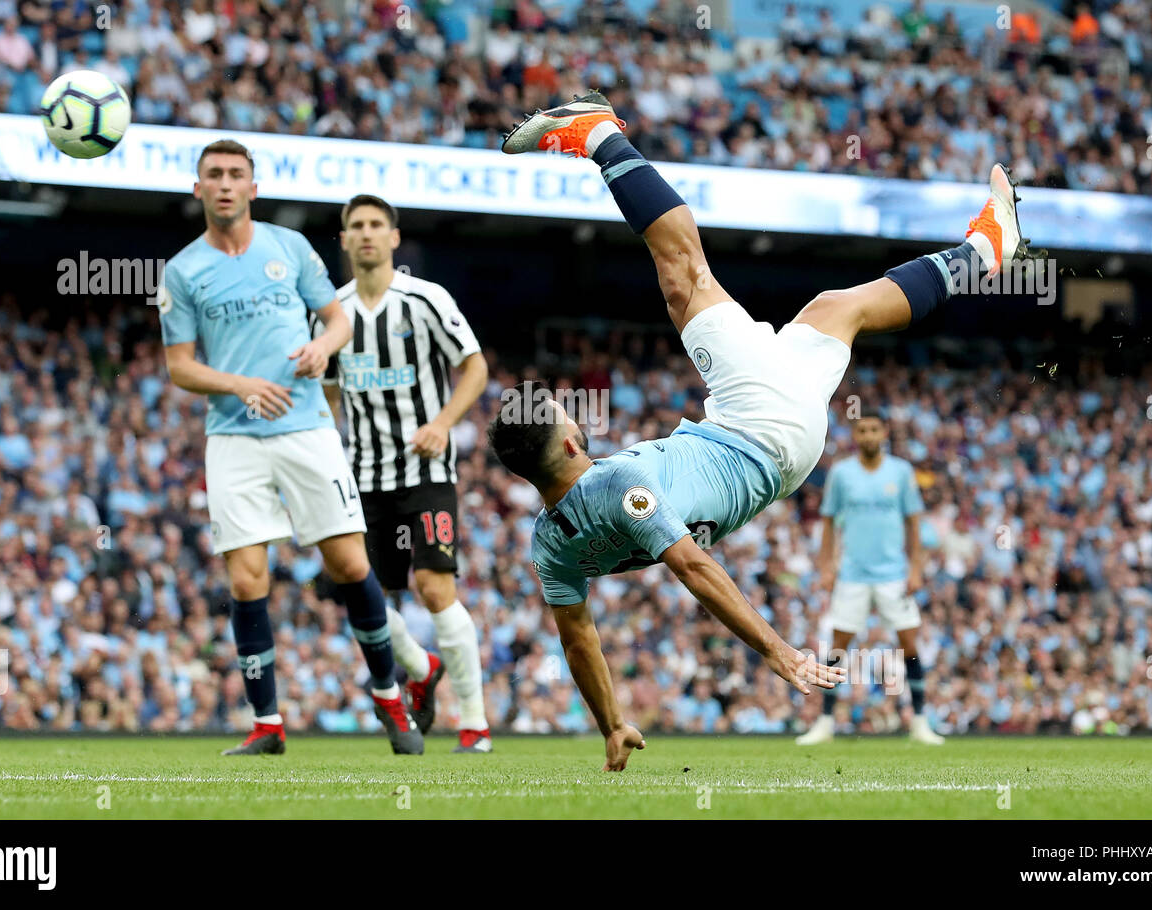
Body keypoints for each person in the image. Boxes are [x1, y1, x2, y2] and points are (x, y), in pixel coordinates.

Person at [489, 91, 1025, 769]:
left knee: (838, 309)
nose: (577, 413)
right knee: (683, 272)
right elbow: (692, 566)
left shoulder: (550, 547)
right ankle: (598, 135)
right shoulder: (620, 483)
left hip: (779, 450)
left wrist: (612, 724)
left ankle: (985, 249)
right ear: (570, 444)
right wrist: (777, 649)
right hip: (757, 426)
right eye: (569, 414)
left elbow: (578, 637)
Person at [158, 139, 422, 756]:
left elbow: (338, 319)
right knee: (248, 580)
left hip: (306, 429)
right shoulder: (182, 271)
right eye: (213, 176)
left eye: (236, 175)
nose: (225, 184)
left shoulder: (290, 247)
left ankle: (389, 696)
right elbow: (178, 367)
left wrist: (324, 347)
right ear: (198, 190)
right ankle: (267, 726)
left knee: (351, 566)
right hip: (233, 437)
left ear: (253, 187)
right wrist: (240, 384)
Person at [312, 194, 493, 753]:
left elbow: (475, 367)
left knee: (434, 587)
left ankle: (475, 724)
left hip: (426, 471)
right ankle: (421, 666)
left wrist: (442, 422)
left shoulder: (425, 300)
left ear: (393, 237)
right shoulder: (331, 312)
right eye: (356, 226)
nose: (366, 234)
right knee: (366, 596)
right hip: (363, 478)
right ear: (343, 240)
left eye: (376, 225)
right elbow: (328, 385)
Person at [796, 413, 944, 745]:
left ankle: (920, 722)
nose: (868, 434)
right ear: (855, 434)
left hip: (893, 574)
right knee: (838, 647)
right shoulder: (842, 473)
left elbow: (913, 522)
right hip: (853, 574)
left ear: (885, 432)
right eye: (862, 429)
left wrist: (916, 569)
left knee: (910, 644)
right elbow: (830, 522)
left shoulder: (902, 472)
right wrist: (826, 567)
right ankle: (826, 722)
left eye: (874, 429)